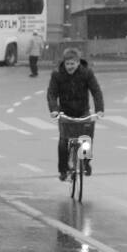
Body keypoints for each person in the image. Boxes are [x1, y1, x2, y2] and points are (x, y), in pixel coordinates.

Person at [47, 47, 105, 180]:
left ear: (78, 63)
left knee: (86, 137)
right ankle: (63, 170)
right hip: (65, 112)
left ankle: (85, 163)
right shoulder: (57, 74)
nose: (69, 67)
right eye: (67, 64)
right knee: (63, 142)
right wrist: (54, 110)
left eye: (72, 64)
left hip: (83, 110)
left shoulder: (87, 73)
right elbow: (52, 94)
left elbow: (96, 91)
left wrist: (99, 110)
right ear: (64, 63)